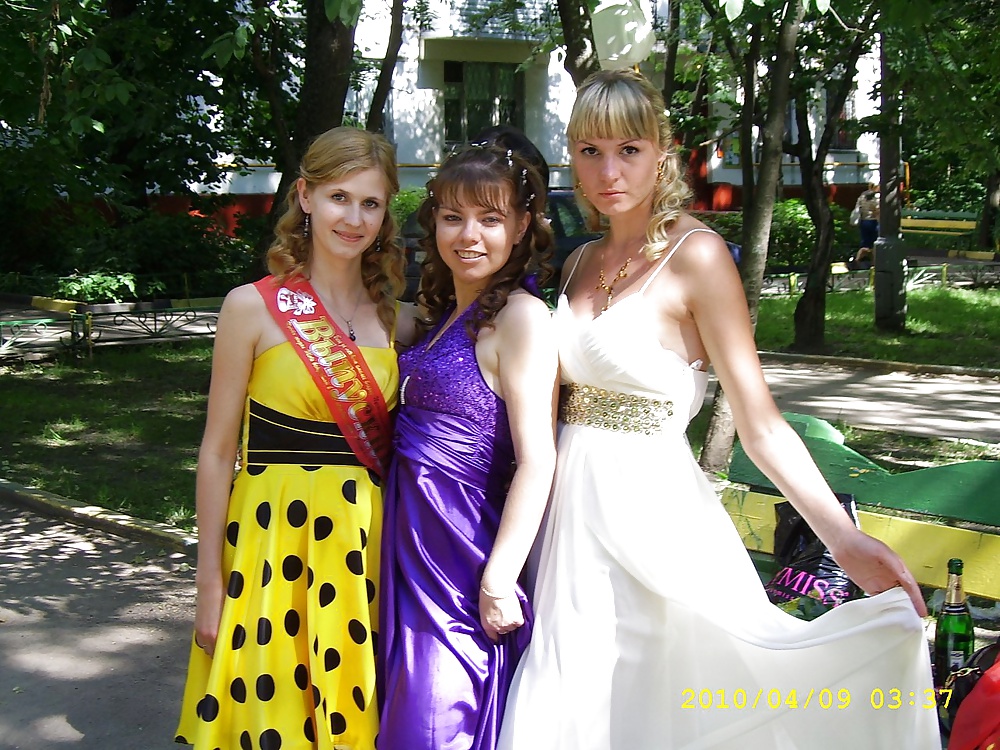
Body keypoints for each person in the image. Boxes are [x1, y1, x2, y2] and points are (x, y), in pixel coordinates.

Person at [497, 70, 940, 750]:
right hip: (568, 525)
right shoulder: (578, 261)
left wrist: (842, 539)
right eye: (591, 151)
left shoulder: (697, 256)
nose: (609, 171)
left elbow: (759, 423)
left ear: (662, 153)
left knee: (655, 712)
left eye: (629, 150)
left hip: (653, 516)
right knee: (566, 707)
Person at [175, 126, 415, 750]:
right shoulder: (250, 308)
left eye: (371, 203)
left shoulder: (399, 320)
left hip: (363, 544)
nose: (354, 219)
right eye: (339, 198)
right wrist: (208, 585)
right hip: (269, 541)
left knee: (352, 715)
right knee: (273, 714)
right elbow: (217, 454)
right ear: (305, 196)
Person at [378, 145, 559, 750]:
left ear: (522, 227)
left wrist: (500, 577)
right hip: (407, 550)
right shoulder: (443, 316)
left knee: (436, 717)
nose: (469, 235)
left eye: (490, 218)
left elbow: (538, 459)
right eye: (453, 217)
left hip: (460, 559)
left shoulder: (521, 318)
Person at [852, 181, 880, 268]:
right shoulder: (876, 196)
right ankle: (874, 264)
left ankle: (857, 260)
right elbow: (877, 210)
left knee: (865, 243)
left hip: (863, 222)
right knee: (875, 243)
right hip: (873, 222)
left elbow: (858, 207)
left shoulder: (863, 195)